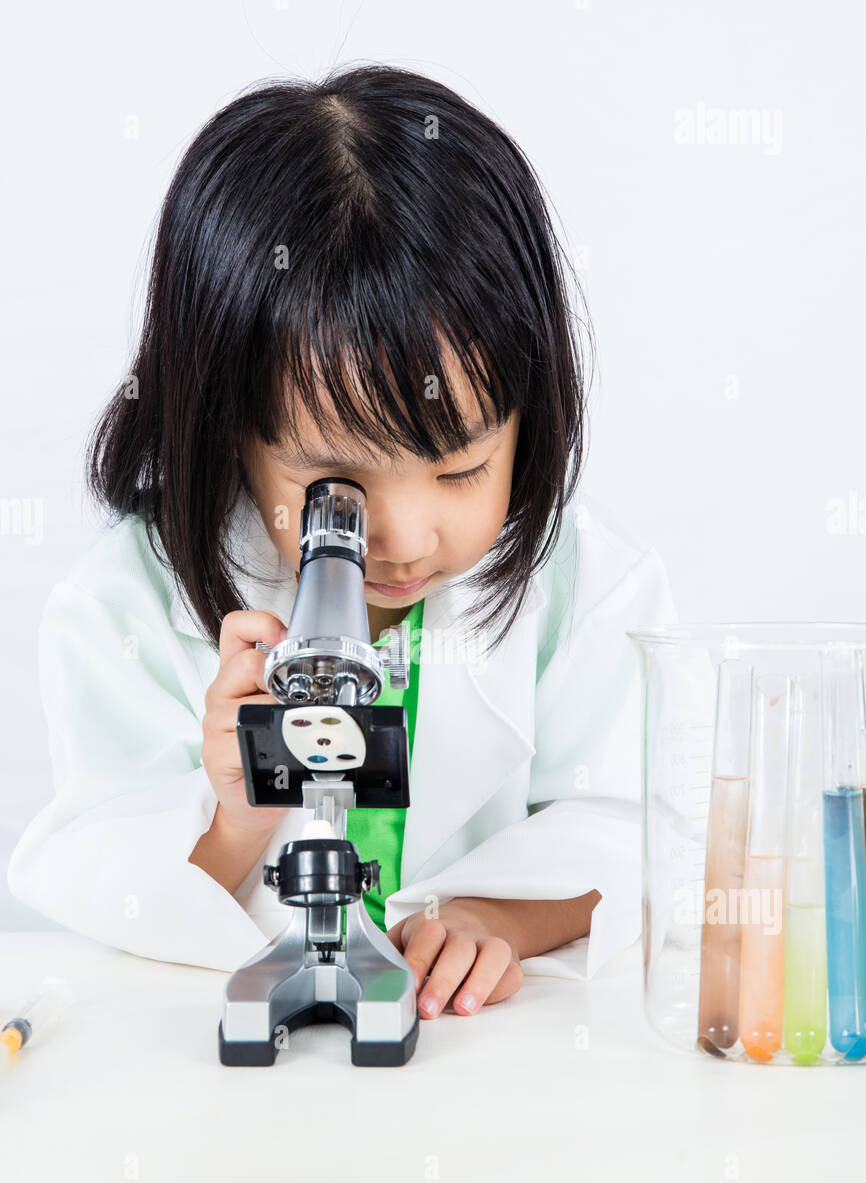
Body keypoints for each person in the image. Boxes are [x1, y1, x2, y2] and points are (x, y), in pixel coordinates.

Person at [8, 66, 678, 1020]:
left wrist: (498, 916)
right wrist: (237, 814)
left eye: (460, 471)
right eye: (335, 489)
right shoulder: (120, 610)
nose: (403, 538)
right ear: (225, 429)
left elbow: (643, 830)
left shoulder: (590, 590)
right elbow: (108, 886)